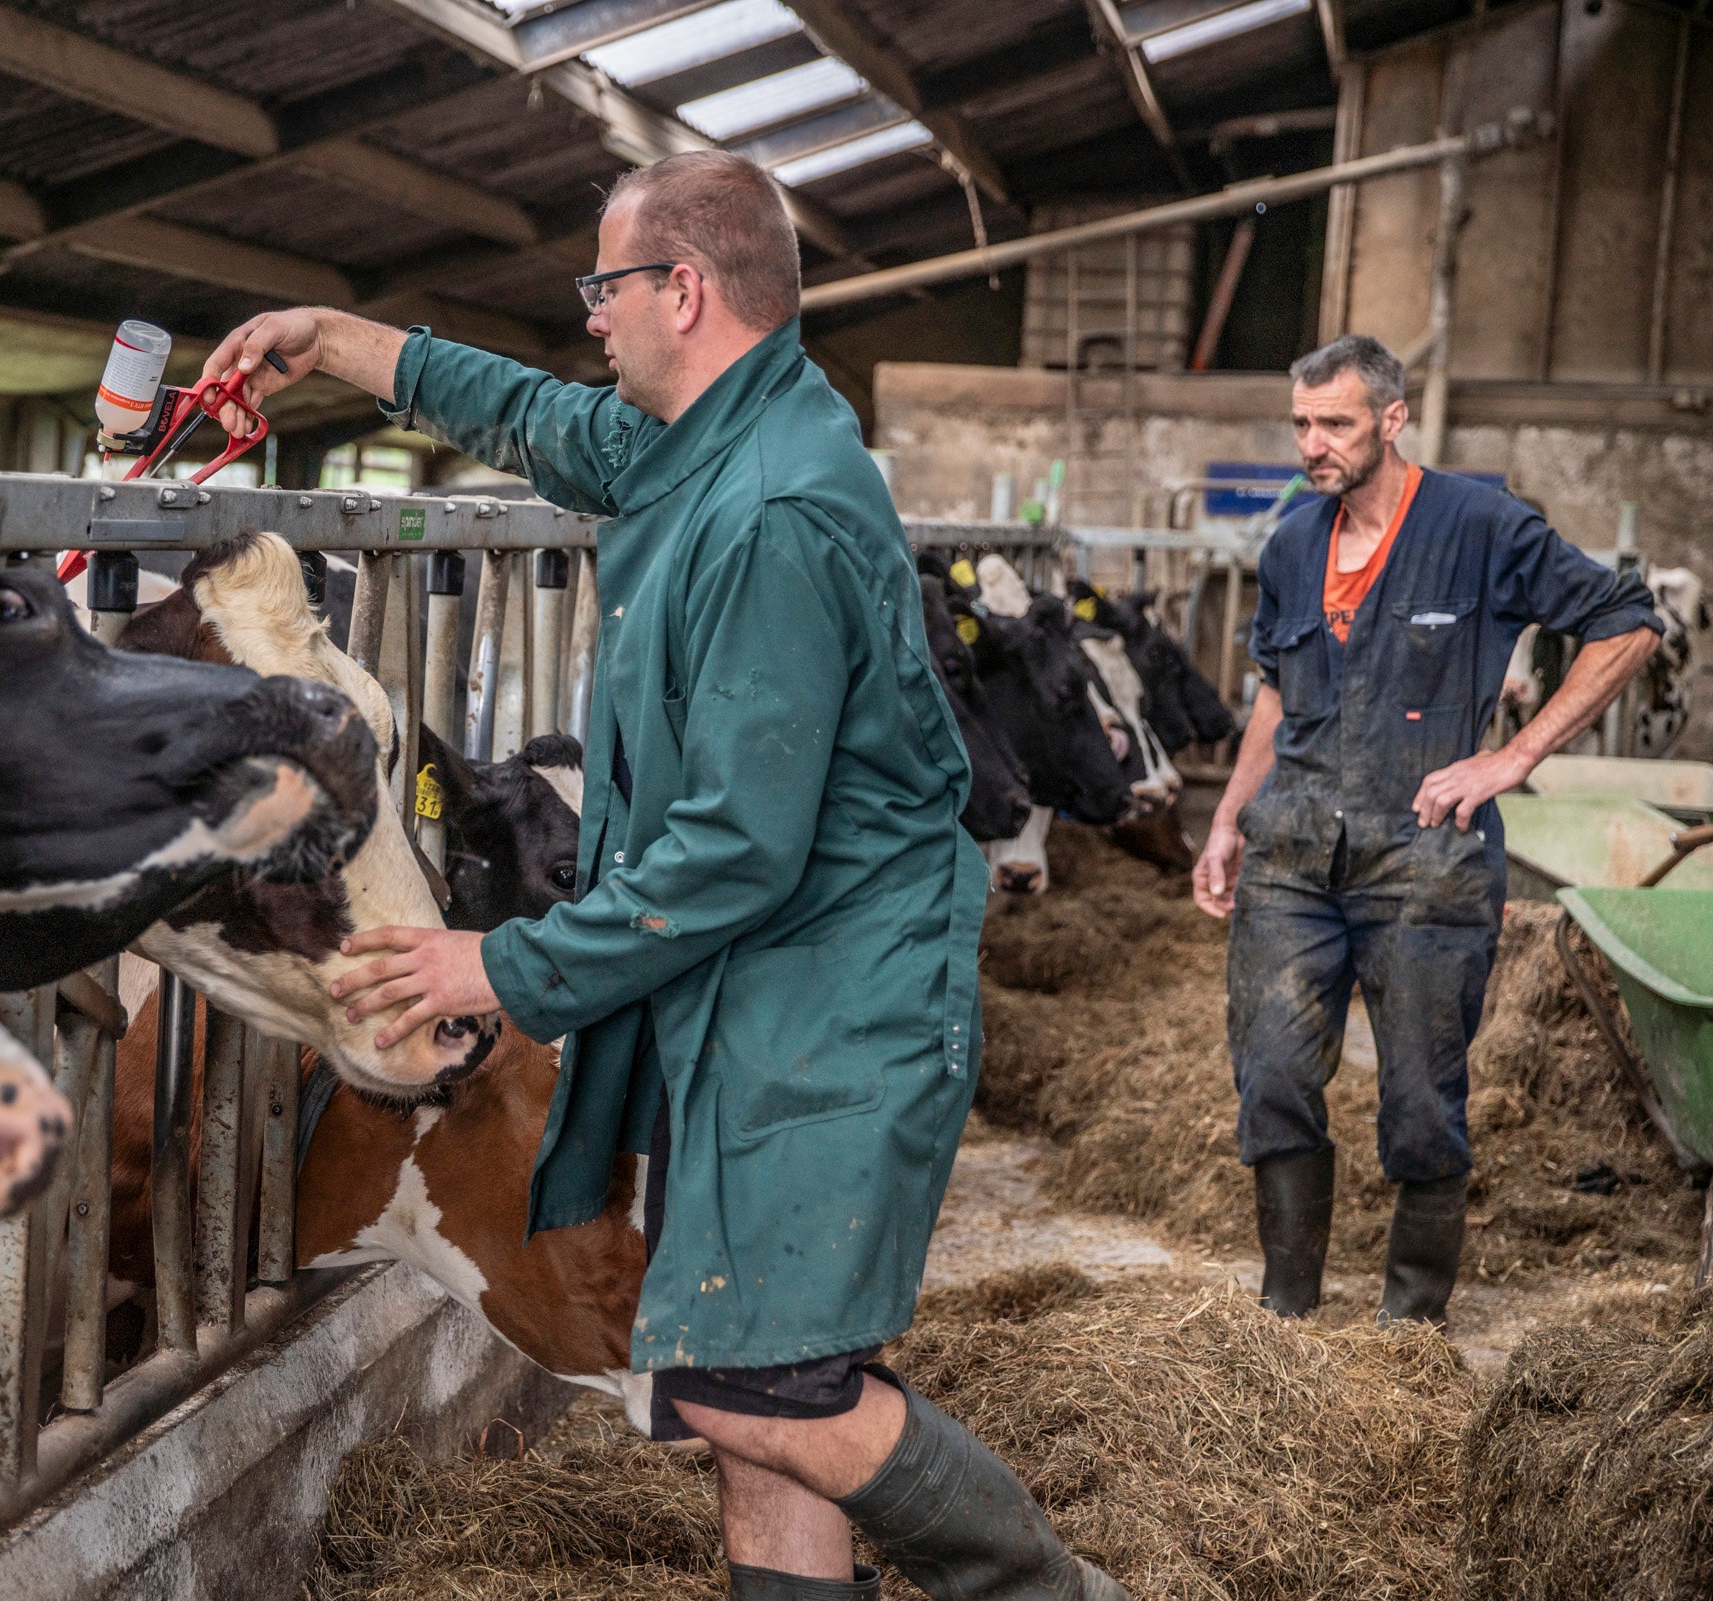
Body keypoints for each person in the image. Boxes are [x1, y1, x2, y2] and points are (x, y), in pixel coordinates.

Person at [197, 151, 1123, 1601]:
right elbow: (545, 418)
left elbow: (740, 848)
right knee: (734, 1385)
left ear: (682, 290)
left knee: (775, 1395)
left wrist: (498, 964)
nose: (591, 319)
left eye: (604, 287)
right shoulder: (719, 440)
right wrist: (342, 342)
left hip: (831, 1013)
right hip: (761, 1001)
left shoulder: (773, 513)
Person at [1193, 334, 1659, 1325]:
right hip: (1292, 853)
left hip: (1427, 860)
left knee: (1419, 1100)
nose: (1312, 445)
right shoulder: (1288, 546)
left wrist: (1515, 756)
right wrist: (1230, 817)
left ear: (1393, 419)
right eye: (1302, 424)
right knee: (1270, 1071)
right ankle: (1286, 1311)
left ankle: (1409, 1320)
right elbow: (1276, 698)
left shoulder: (1480, 524)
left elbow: (1628, 621)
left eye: (1336, 424)